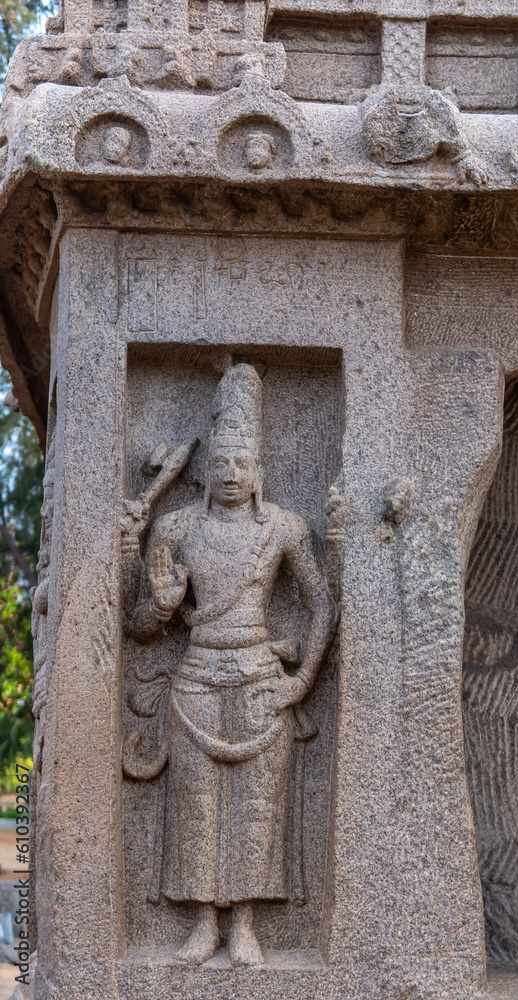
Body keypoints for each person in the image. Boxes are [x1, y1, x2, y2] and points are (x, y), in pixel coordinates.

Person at [129, 362, 335, 966]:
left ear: (260, 471)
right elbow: (141, 628)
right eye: (219, 463)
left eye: (242, 464)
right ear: (202, 473)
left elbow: (322, 603)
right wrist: (161, 604)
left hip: (259, 685)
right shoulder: (176, 527)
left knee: (255, 806)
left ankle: (243, 923)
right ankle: (199, 923)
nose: (230, 474)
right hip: (194, 680)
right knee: (194, 806)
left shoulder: (283, 529)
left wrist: (301, 682)